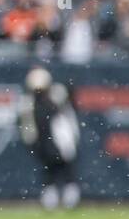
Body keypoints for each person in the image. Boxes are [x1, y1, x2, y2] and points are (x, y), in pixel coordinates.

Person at [17, 67, 81, 210]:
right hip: (46, 143)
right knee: (50, 173)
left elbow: (68, 97)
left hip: (61, 140)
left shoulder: (57, 96)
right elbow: (28, 128)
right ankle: (53, 201)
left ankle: (68, 200)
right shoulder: (29, 104)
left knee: (66, 171)